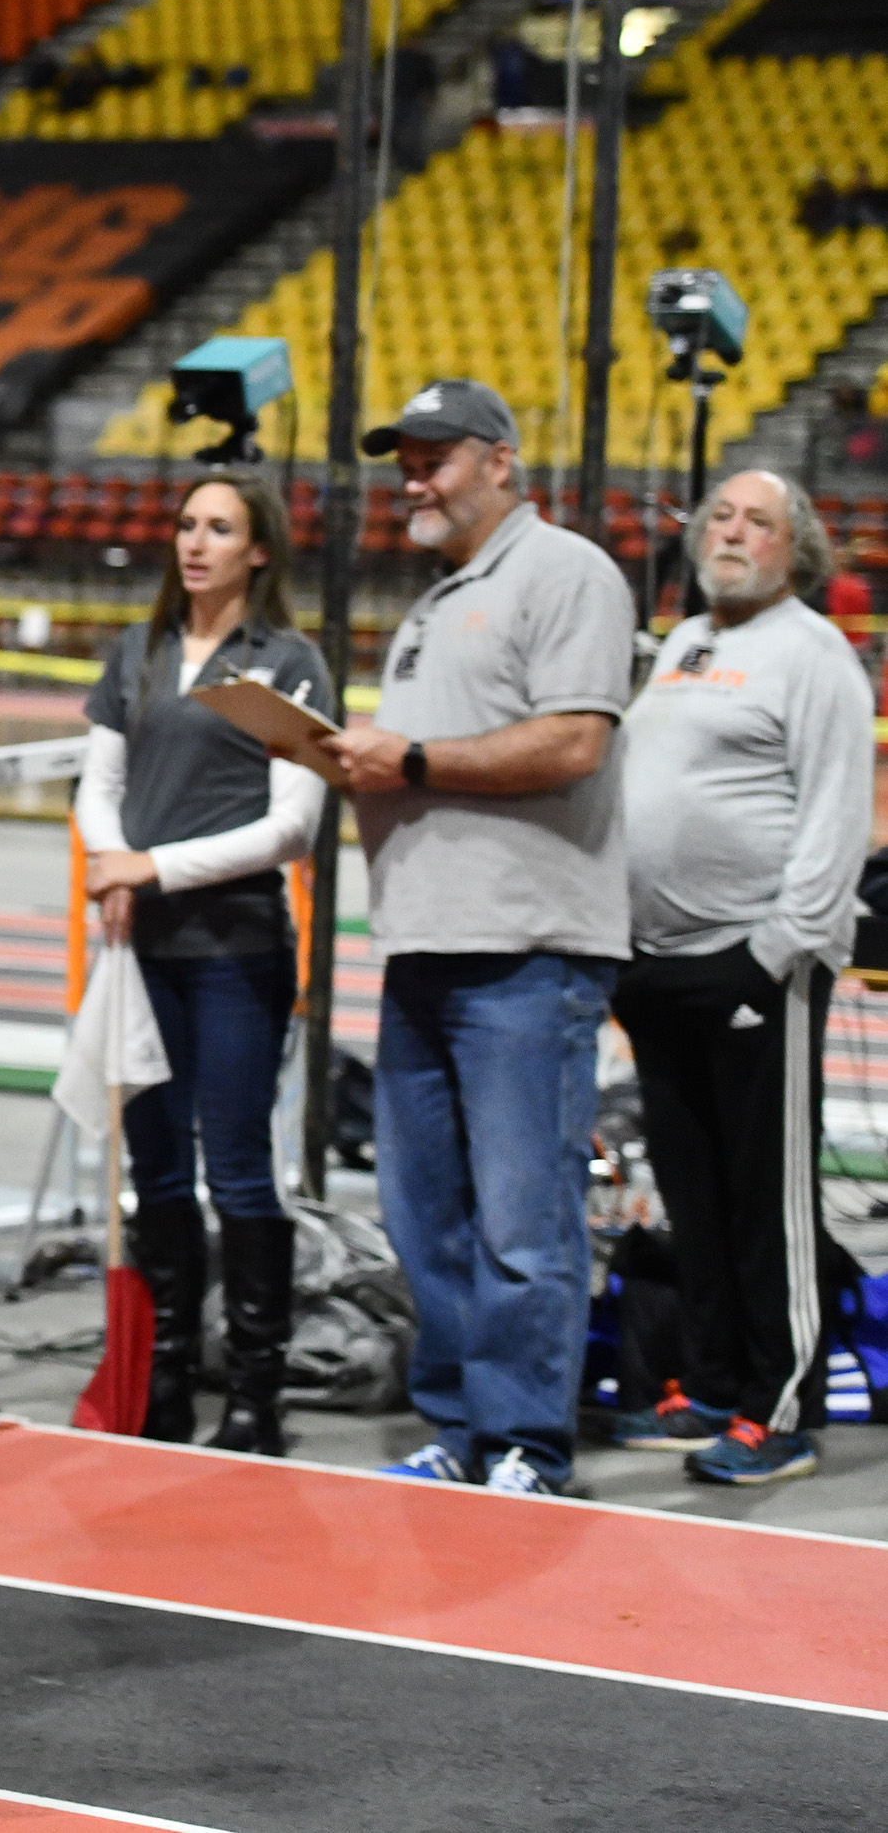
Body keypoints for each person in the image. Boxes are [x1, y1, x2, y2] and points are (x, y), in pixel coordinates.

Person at [320, 379, 635, 1497]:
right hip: (425, 945)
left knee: (521, 1222)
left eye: (435, 457)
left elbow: (570, 745)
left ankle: (526, 1447)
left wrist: (402, 761)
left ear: (501, 460)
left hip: (527, 949)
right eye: (402, 459)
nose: (412, 477)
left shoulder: (566, 574)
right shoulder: (433, 604)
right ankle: (458, 1431)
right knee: (425, 1220)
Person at [610, 471, 868, 1486]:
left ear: (794, 550)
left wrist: (768, 957)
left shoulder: (814, 657)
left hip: (756, 967)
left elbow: (833, 822)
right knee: (694, 1191)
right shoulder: (683, 644)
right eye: (718, 515)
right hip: (658, 965)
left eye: (756, 520)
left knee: (766, 1199)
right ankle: (712, 1382)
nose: (731, 532)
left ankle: (780, 1406)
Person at [78, 470, 333, 1453]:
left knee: (235, 1169)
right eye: (186, 524)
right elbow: (97, 782)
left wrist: (148, 866)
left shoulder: (285, 661)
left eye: (219, 528)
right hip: (143, 950)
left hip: (235, 949)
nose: (195, 542)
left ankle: (254, 1396)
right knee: (154, 1170)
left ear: (257, 550)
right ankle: (167, 1378)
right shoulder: (138, 651)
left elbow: (290, 828)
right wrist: (110, 866)